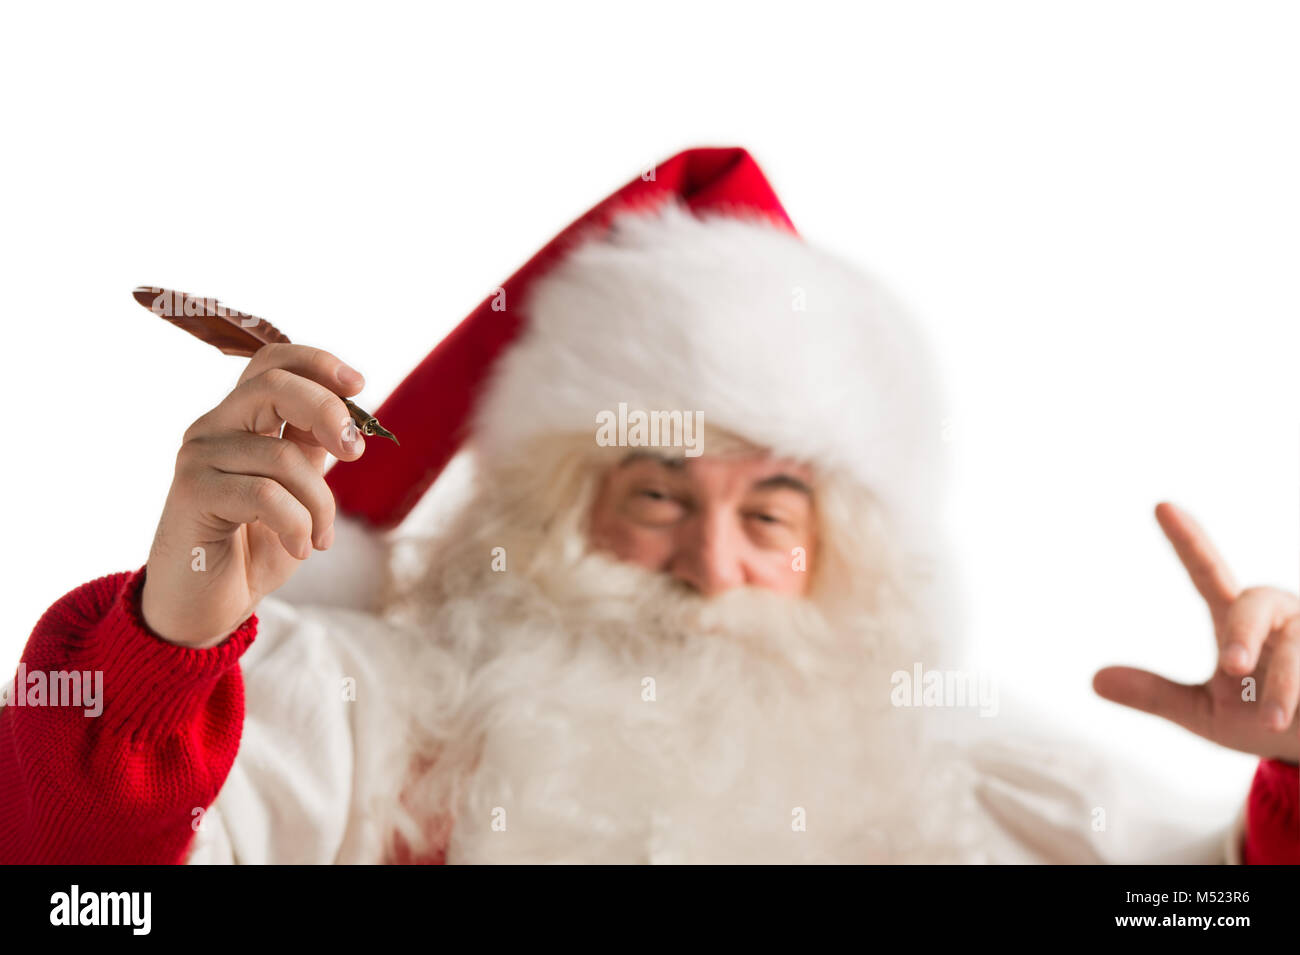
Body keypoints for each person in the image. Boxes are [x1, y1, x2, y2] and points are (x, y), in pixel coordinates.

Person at [1, 148, 1294, 864]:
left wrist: (1293, 770)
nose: (709, 563)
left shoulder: (947, 782)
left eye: (772, 516)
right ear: (555, 509)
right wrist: (166, 653)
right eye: (658, 494)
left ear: (842, 564)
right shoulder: (354, 719)